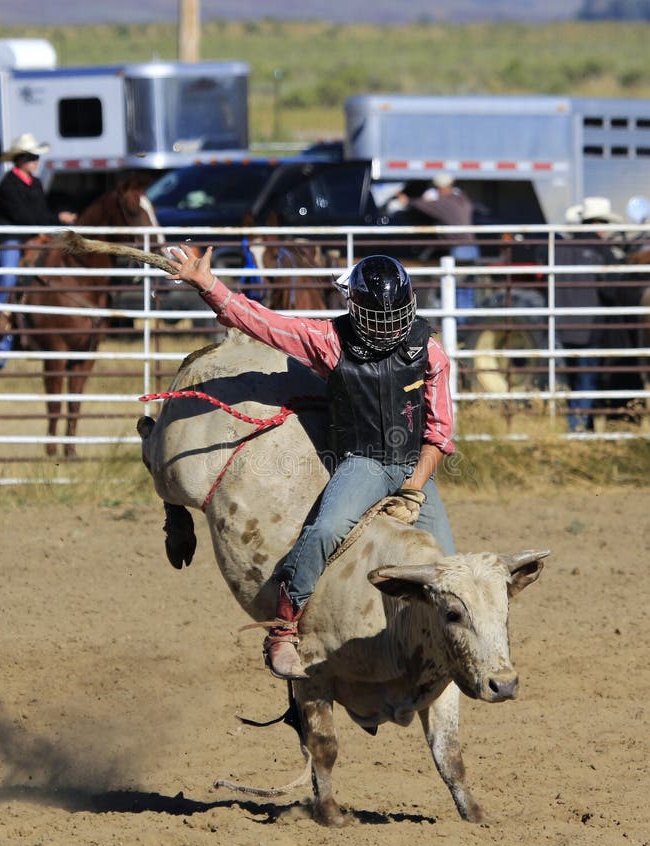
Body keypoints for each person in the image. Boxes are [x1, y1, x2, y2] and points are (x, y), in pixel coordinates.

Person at [165, 249, 457, 679]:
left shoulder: (431, 354)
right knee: (323, 531)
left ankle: (441, 644)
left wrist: (414, 488)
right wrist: (209, 285)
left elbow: (439, 433)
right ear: (355, 309)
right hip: (363, 462)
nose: (389, 327)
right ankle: (283, 629)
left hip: (413, 464)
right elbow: (263, 322)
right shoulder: (329, 340)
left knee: (447, 568)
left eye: (395, 316)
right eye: (378, 317)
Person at [0, 133, 76, 368]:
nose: (36, 161)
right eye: (32, 157)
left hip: (33, 237)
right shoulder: (8, 185)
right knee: (8, 276)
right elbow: (23, 217)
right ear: (21, 159)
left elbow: (40, 214)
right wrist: (56, 218)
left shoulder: (34, 183)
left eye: (36, 157)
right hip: (11, 238)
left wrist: (55, 220)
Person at [555, 196, 625, 432]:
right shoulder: (603, 250)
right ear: (599, 223)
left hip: (562, 324)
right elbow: (611, 290)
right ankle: (579, 426)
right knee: (588, 376)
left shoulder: (561, 248)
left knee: (573, 377)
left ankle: (573, 422)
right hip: (591, 325)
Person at [393, 174, 478, 323]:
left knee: (455, 288)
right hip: (472, 248)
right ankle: (465, 327)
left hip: (459, 248)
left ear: (441, 188)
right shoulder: (462, 199)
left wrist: (407, 200)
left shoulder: (444, 203)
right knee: (466, 290)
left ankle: (458, 326)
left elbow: (423, 205)